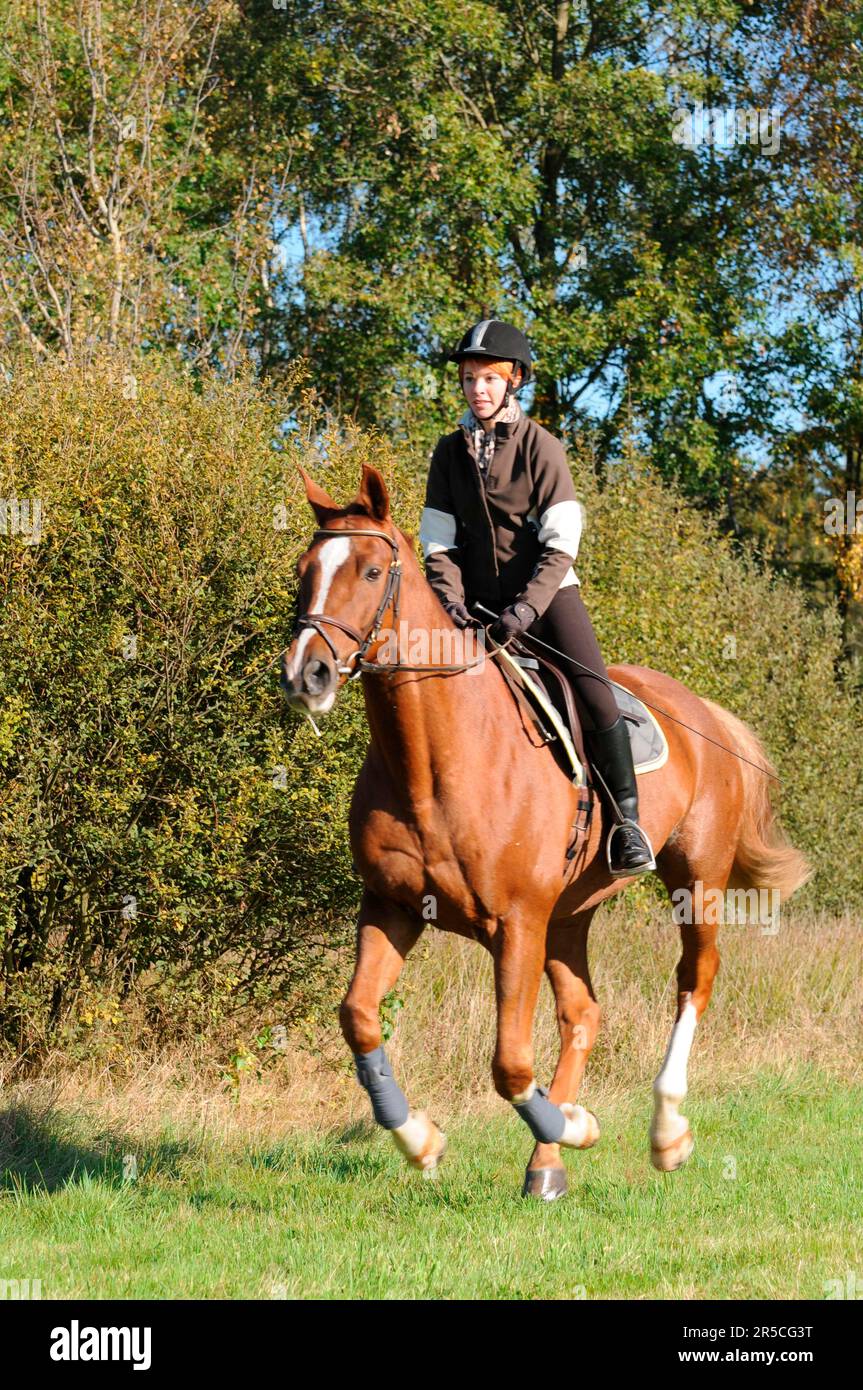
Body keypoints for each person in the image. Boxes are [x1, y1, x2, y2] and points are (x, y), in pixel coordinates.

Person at [419, 318, 655, 876]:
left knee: (595, 693)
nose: (477, 388)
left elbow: (560, 547)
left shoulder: (541, 448)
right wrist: (450, 607)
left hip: (546, 601)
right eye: (469, 378)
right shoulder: (447, 454)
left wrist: (525, 610)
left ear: (514, 381)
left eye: (489, 378)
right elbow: (437, 546)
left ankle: (627, 826)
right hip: (473, 612)